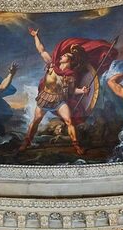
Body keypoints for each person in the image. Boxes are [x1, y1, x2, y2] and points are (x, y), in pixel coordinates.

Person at [19, 28, 117, 156]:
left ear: (70, 61)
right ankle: (26, 143)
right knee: (36, 120)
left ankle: (76, 146)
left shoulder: (70, 76)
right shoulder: (52, 65)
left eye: (65, 55)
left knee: (69, 121)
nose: (62, 56)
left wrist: (82, 91)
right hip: (45, 98)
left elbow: (71, 91)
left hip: (59, 101)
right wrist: (35, 36)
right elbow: (41, 50)